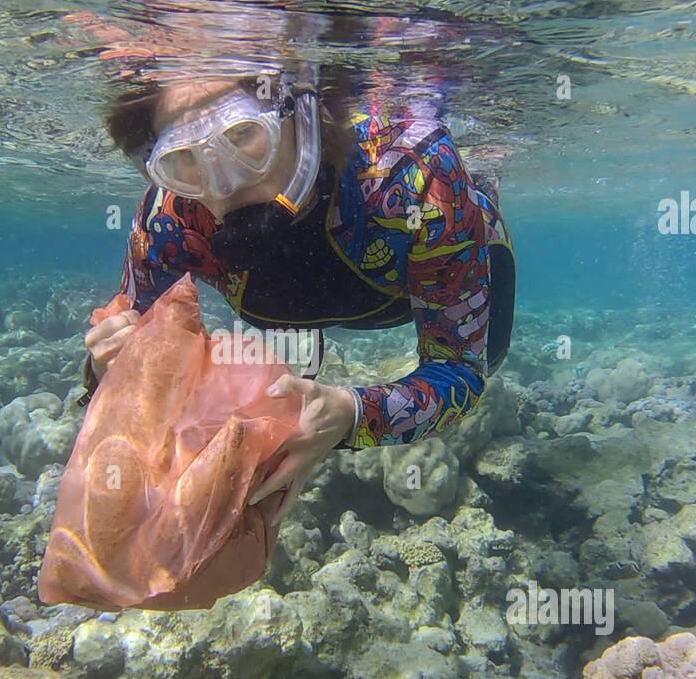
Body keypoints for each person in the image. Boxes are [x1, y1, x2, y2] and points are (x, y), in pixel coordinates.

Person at [83, 69, 515, 526]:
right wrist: (108, 374)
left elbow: (461, 372)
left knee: (493, 353)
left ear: (303, 116)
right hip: (319, 295)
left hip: (415, 282)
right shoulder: (169, 219)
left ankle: (481, 189)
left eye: (243, 135)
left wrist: (352, 416)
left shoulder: (414, 176)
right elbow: (122, 348)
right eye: (184, 160)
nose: (223, 184)